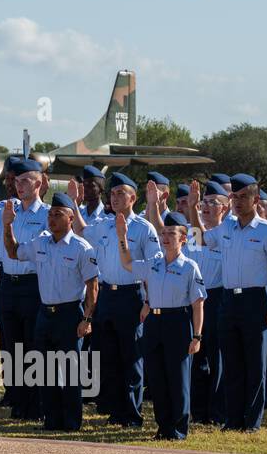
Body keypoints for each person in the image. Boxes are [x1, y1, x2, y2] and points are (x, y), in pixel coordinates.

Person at [2, 190, 98, 431]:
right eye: (51, 214)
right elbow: (13, 251)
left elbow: (93, 287)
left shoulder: (81, 248)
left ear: (71, 218)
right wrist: (7, 226)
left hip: (70, 313)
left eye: (58, 214)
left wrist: (87, 319)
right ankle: (52, 420)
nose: (52, 218)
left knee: (70, 371)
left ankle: (72, 422)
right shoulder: (40, 243)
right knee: (45, 370)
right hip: (45, 313)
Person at [200, 173, 267, 431]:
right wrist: (195, 209)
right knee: (232, 362)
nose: (237, 202)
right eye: (234, 197)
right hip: (229, 300)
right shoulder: (227, 227)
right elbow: (202, 239)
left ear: (255, 199)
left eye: (243, 197)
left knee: (255, 363)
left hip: (255, 300)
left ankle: (252, 421)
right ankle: (233, 418)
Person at [123, 206, 204, 439]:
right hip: (153, 322)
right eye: (164, 233)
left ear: (183, 239)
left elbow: (198, 304)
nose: (166, 238)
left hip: (177, 321)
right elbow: (128, 263)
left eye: (171, 234)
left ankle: (178, 428)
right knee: (157, 377)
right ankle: (163, 426)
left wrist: (197, 336)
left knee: (177, 378)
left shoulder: (189, 267)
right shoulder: (153, 263)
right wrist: (121, 238)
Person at [84, 172, 159, 426]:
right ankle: (116, 411)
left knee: (131, 357)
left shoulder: (143, 228)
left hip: (131, 296)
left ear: (133, 198)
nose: (115, 198)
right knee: (109, 356)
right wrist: (74, 201)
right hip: (107, 295)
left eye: (120, 193)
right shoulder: (103, 225)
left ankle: (132, 414)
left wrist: (149, 301)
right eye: (112, 193)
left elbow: (152, 266)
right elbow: (80, 230)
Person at [0, 158, 48, 420]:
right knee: (11, 345)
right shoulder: (7, 207)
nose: (20, 186)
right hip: (8, 284)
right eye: (16, 181)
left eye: (25, 181)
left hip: (33, 284)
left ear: (39, 184)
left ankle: (35, 403)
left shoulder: (47, 214)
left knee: (33, 345)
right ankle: (18, 402)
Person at [186, 180, 228, 425]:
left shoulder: (226, 233)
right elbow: (196, 239)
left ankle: (218, 412)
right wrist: (192, 207)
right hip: (196, 301)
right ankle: (199, 411)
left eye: (214, 203)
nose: (207, 207)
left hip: (218, 298)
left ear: (224, 207)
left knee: (218, 359)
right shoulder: (197, 234)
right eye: (205, 202)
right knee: (197, 358)